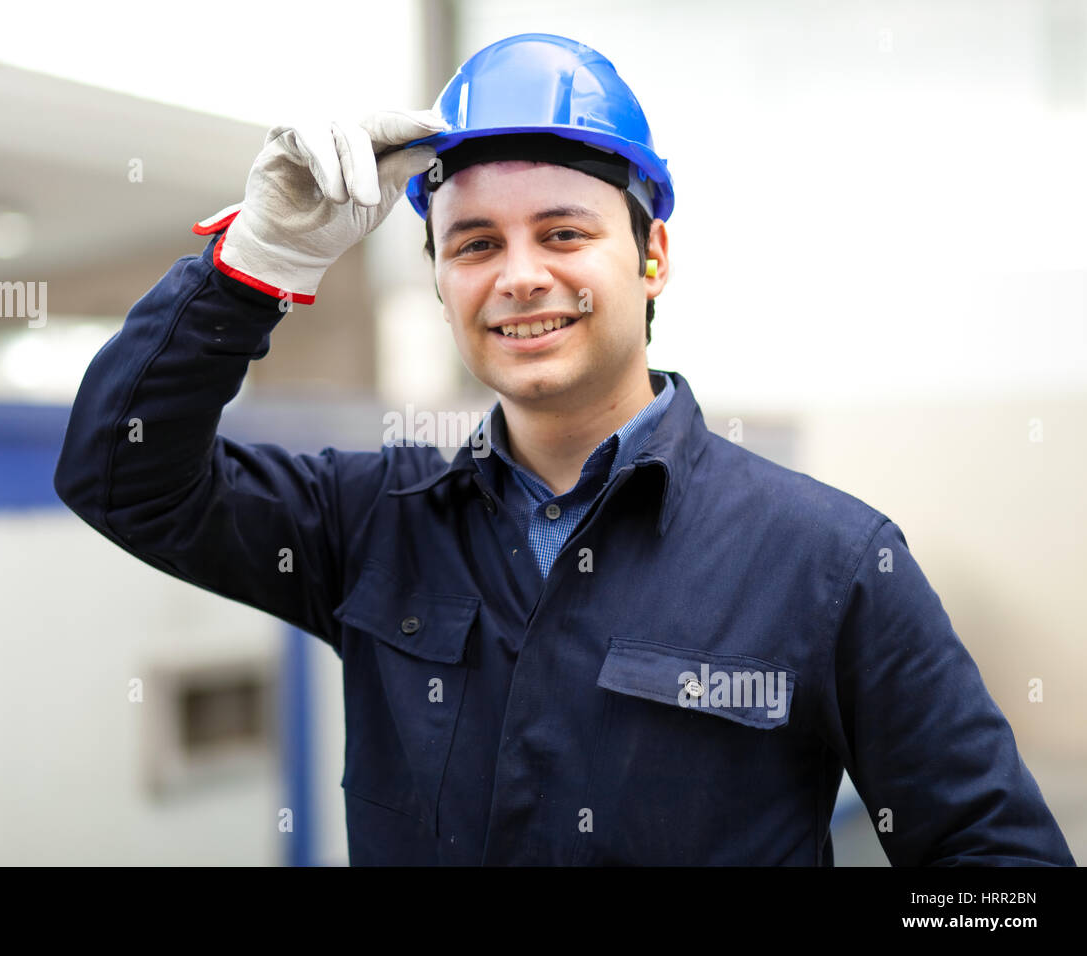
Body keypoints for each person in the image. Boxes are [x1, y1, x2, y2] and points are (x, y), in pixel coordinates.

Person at [53, 33, 1074, 865]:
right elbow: (121, 474)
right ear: (443, 280)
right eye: (476, 244)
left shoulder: (828, 560)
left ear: (652, 256)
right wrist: (250, 268)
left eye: (564, 232)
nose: (520, 275)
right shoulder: (370, 520)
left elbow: (994, 865)